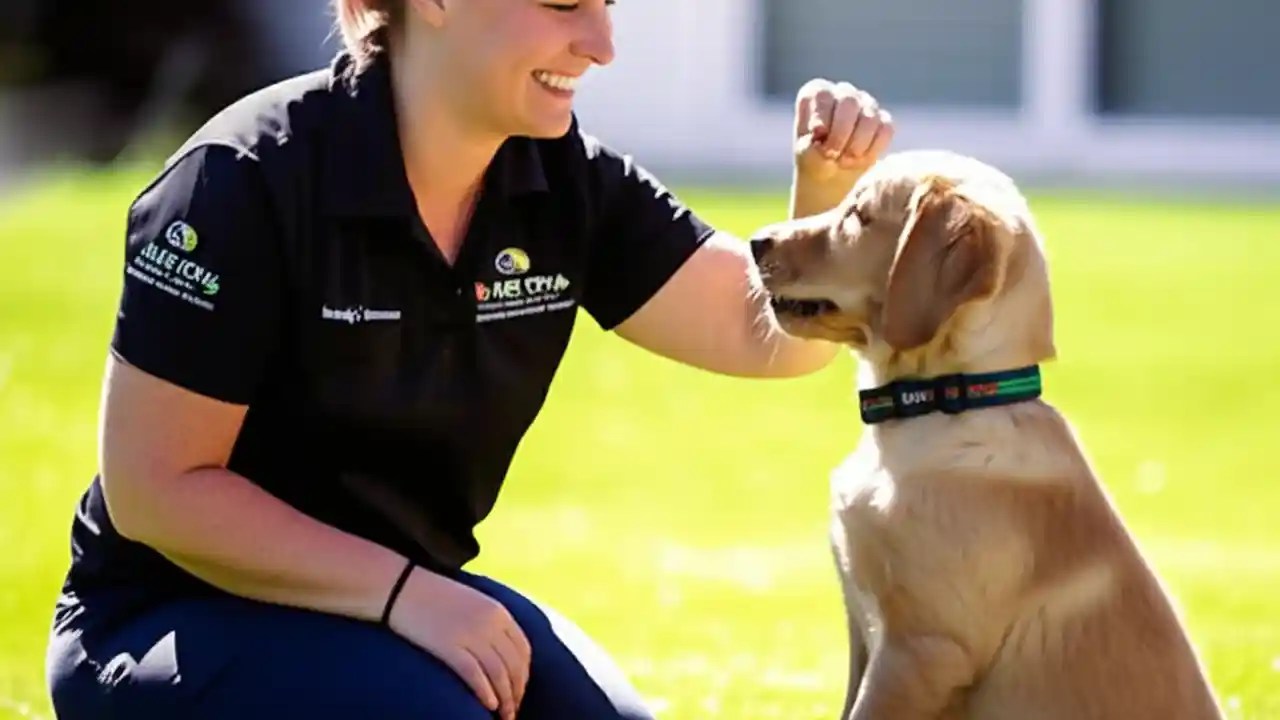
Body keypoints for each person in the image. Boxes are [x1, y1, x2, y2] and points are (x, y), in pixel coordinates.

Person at [44, 0, 895, 717]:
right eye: (564, 4)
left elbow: (765, 337)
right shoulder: (241, 179)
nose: (601, 44)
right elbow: (157, 491)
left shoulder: (565, 185)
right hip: (168, 616)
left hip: (403, 607)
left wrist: (819, 192)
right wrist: (403, 594)